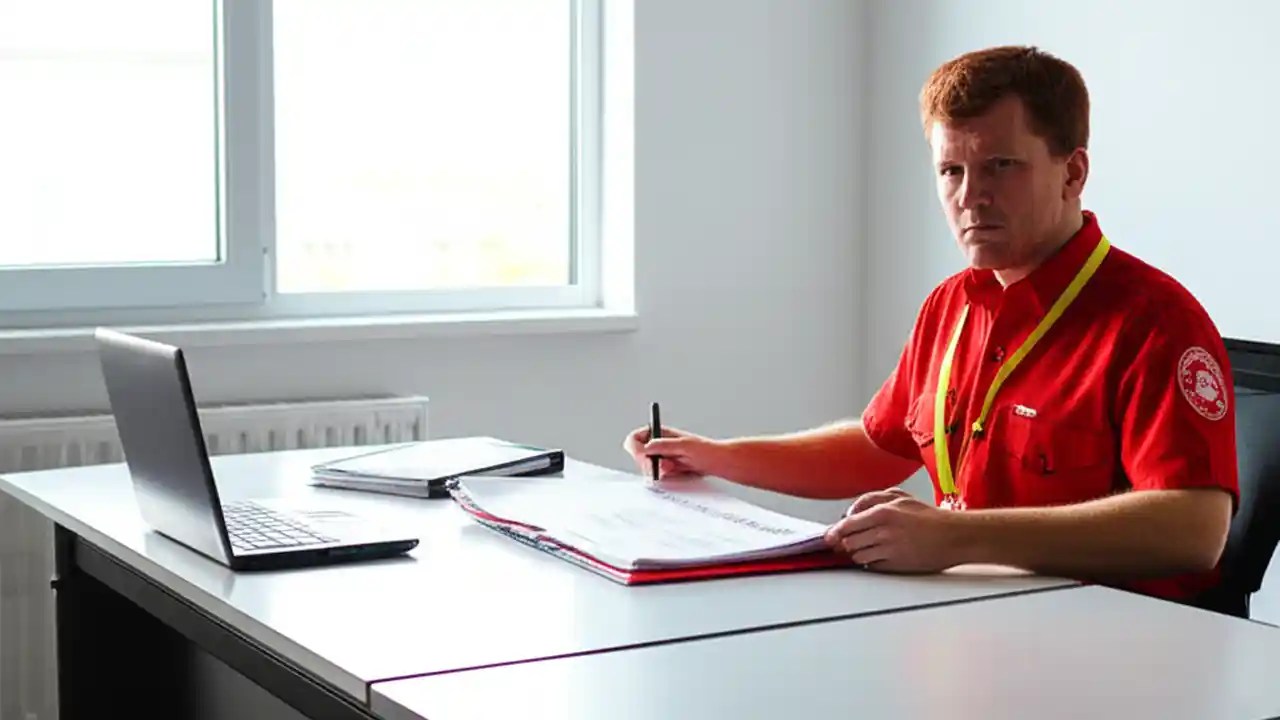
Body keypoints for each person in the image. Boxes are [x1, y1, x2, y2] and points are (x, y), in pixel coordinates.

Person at [623, 45, 1238, 604]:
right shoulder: (952, 304)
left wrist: (956, 537)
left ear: (1073, 173)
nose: (971, 196)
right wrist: (710, 455)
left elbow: (1194, 529)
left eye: (1001, 166)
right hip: (966, 623)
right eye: (952, 171)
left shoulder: (1154, 320)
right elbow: (876, 448)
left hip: (1117, 649)